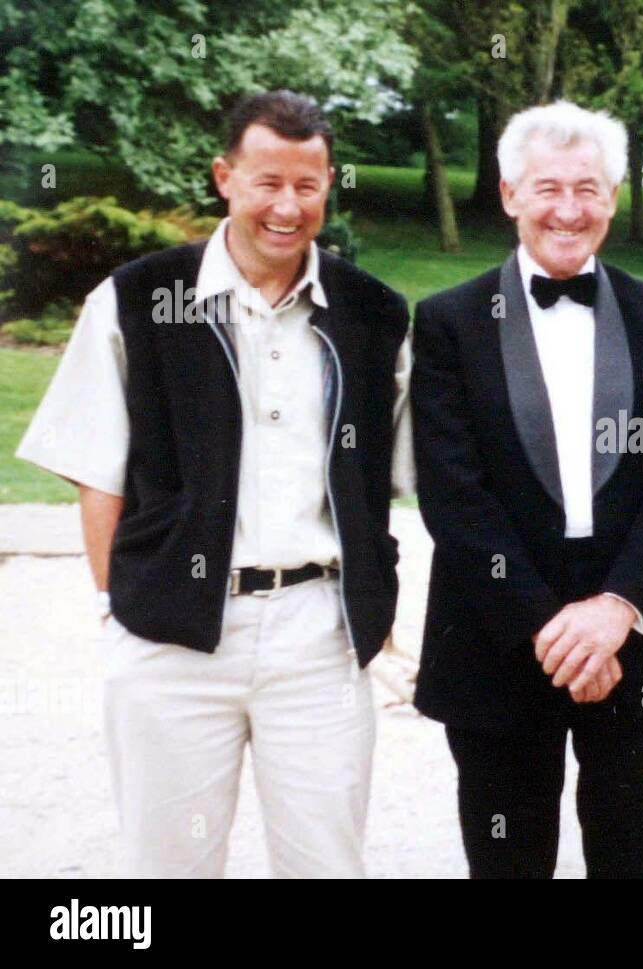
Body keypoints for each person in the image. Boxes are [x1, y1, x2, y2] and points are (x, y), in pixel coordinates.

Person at [15, 90, 413, 877]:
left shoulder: (373, 315)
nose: (288, 206)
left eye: (308, 185)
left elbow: (411, 471)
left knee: (328, 865)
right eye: (267, 182)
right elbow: (99, 473)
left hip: (319, 635)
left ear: (330, 183)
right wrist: (116, 608)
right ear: (225, 177)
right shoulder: (136, 298)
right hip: (171, 639)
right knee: (166, 867)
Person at [410, 100, 643, 878]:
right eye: (547, 188)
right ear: (510, 194)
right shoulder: (449, 321)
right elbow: (452, 493)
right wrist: (550, 628)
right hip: (498, 631)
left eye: (588, 188)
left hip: (630, 632)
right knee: (507, 857)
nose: (569, 210)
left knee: (632, 852)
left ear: (611, 195)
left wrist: (614, 610)